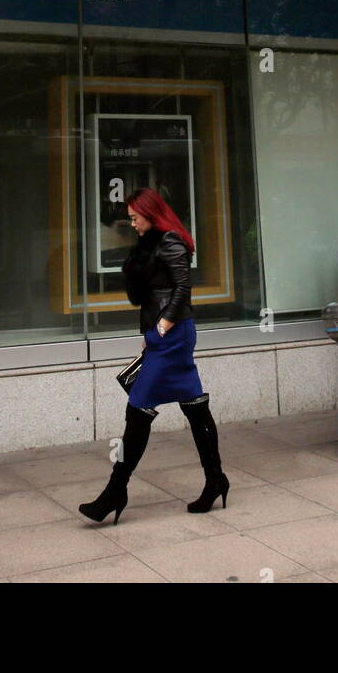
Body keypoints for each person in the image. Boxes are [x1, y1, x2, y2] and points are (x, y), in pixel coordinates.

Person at [79, 188, 228, 525]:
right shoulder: (150, 243)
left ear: (150, 213)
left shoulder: (171, 241)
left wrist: (160, 329)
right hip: (164, 336)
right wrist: (152, 334)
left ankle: (116, 491)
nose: (131, 223)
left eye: (135, 217)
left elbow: (182, 289)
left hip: (172, 335)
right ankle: (216, 479)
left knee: (138, 410)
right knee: (194, 407)